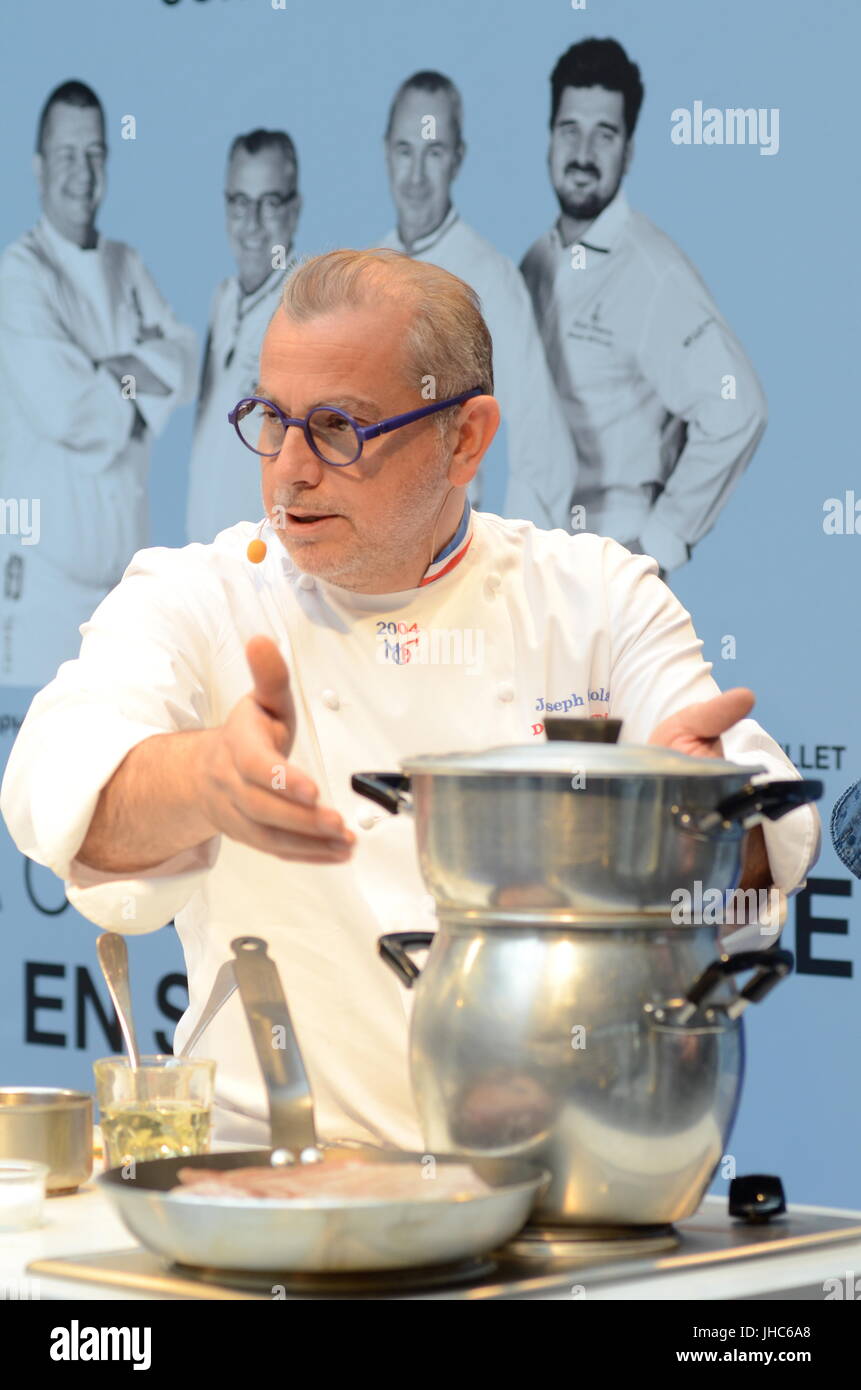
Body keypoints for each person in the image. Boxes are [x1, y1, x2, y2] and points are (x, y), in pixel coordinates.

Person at [1, 249, 819, 1150]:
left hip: (560, 1187)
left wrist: (687, 814)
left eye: (339, 427)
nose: (291, 471)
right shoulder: (196, 596)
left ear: (464, 437)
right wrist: (207, 778)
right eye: (271, 420)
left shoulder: (596, 596)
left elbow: (758, 838)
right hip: (268, 1191)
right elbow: (60, 783)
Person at [520, 39, 767, 576]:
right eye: (570, 129)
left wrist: (655, 547)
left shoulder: (653, 275)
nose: (583, 152)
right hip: (531, 558)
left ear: (629, 150)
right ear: (548, 138)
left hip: (606, 560)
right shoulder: (536, 262)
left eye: (604, 134)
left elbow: (738, 408)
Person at [0, 80, 197, 688]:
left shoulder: (125, 263)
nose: (82, 173)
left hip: (123, 594)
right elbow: (71, 411)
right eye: (66, 155)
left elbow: (186, 363)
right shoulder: (19, 275)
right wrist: (139, 373)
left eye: (94, 155)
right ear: (38, 167)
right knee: (32, 775)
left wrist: (107, 368)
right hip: (45, 592)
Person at [377, 70, 575, 530]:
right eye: (405, 151)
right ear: (386, 151)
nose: (416, 175)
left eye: (435, 152)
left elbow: (543, 446)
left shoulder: (491, 279)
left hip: (453, 550)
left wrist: (512, 575)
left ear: (458, 160)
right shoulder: (367, 271)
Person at [186, 129, 301, 543]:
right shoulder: (224, 299)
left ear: (294, 209)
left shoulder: (304, 313)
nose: (251, 224)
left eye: (269, 203)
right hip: (206, 562)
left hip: (265, 566)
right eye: (240, 203)